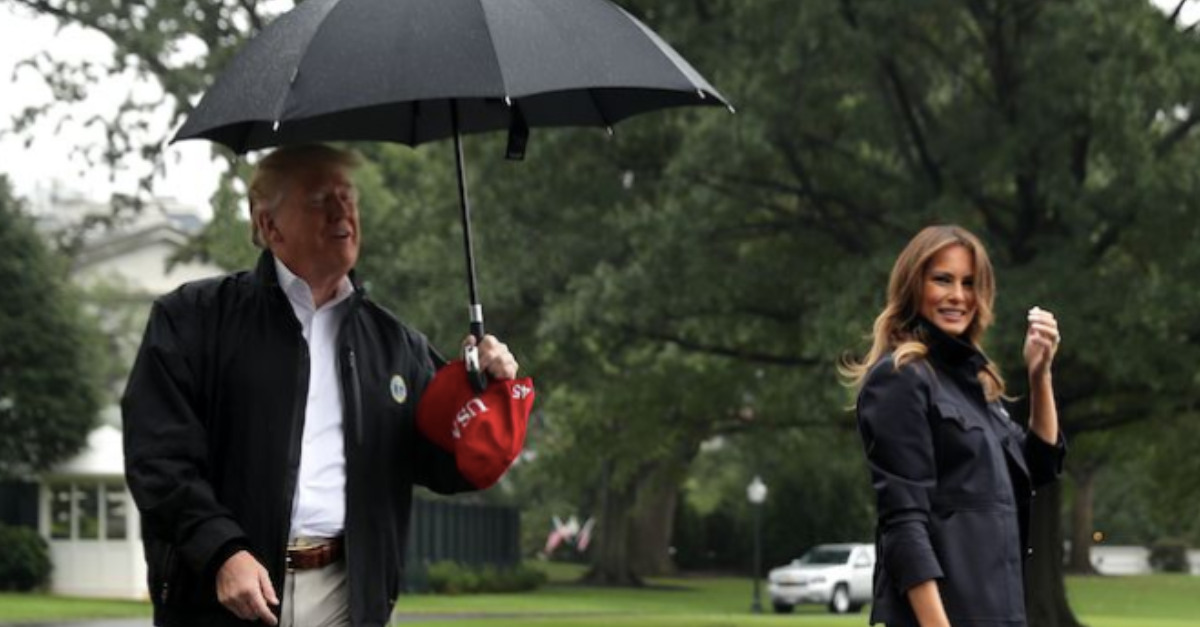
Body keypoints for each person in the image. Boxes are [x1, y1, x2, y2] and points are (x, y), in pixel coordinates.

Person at [122, 144, 522, 627]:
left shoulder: (396, 345)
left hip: (347, 596)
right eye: (319, 200)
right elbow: (159, 461)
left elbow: (449, 466)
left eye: (348, 197)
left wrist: (485, 390)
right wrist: (221, 549)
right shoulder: (190, 322)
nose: (342, 212)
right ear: (269, 226)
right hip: (225, 596)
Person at [841, 225, 1066, 627]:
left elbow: (1039, 465)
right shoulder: (901, 378)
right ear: (914, 285)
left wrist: (1040, 375)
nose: (958, 296)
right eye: (942, 279)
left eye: (969, 283)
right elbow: (903, 525)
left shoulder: (974, 386)